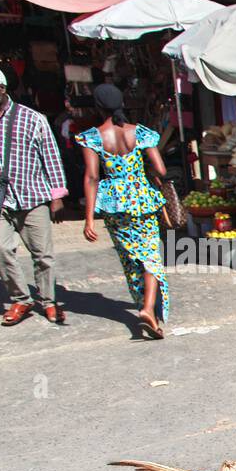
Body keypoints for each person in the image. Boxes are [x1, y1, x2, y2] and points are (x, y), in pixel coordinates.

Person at [77, 83, 169, 339]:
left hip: (114, 205)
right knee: (150, 255)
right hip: (142, 200)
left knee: (131, 260)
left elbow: (92, 177)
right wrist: (145, 174)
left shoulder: (93, 137)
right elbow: (161, 170)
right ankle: (149, 308)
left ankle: (144, 306)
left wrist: (89, 220)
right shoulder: (140, 133)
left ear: (97, 107)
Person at [0, 64, 69, 326]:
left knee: (42, 255)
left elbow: (51, 156)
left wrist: (57, 195)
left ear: (1, 89)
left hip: (33, 197)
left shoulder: (32, 118)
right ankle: (20, 299)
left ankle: (48, 301)